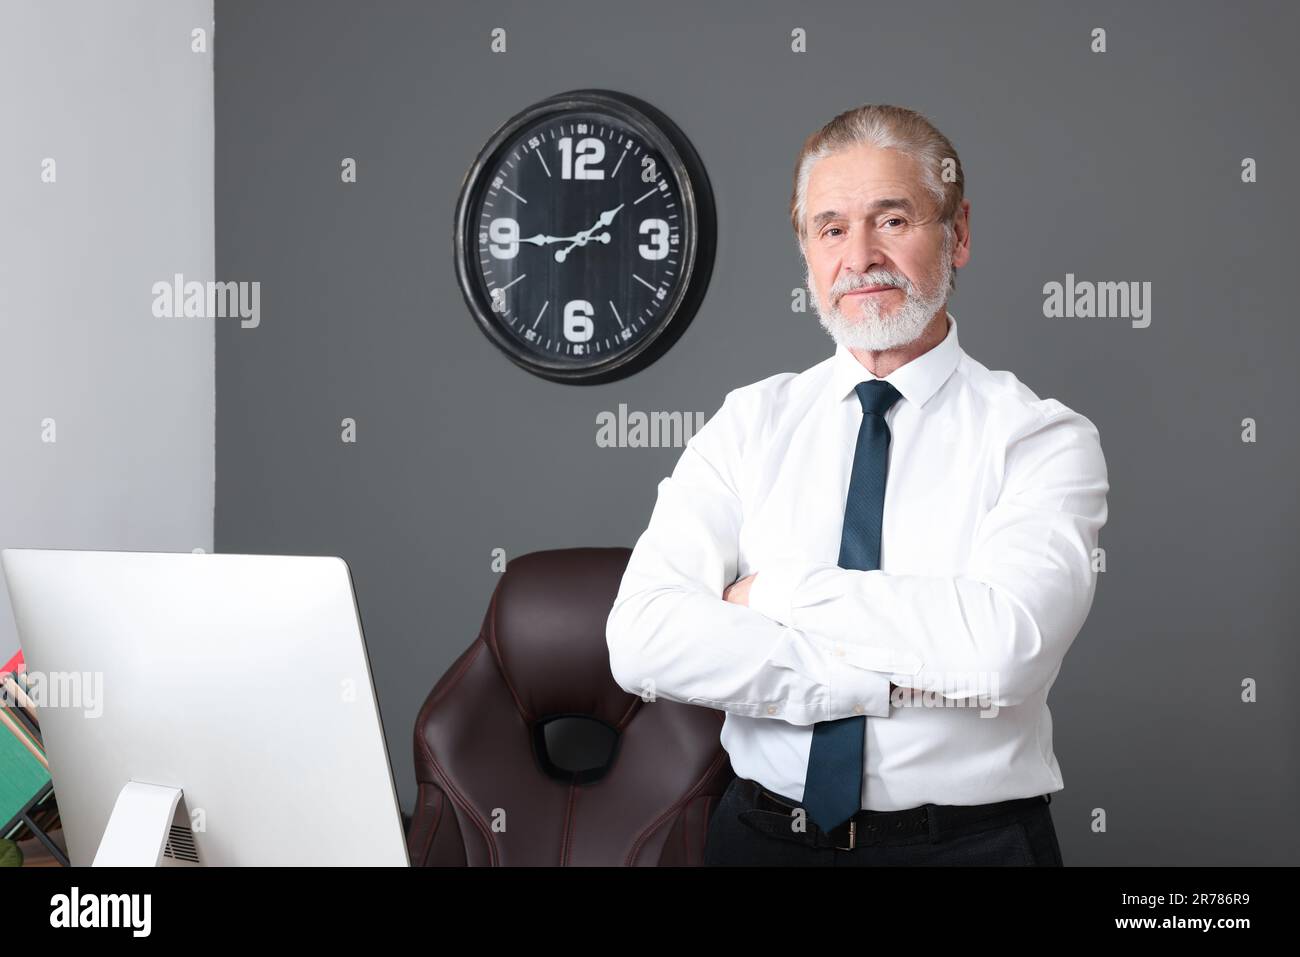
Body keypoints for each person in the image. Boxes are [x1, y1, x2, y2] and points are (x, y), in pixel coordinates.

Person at [605, 104, 1108, 865]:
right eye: (831, 228)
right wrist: (890, 674)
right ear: (806, 248)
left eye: (893, 220)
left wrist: (773, 593)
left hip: (969, 848)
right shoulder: (749, 422)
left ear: (958, 233)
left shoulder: (1039, 438)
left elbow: (1002, 652)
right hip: (759, 839)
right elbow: (641, 638)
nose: (860, 256)